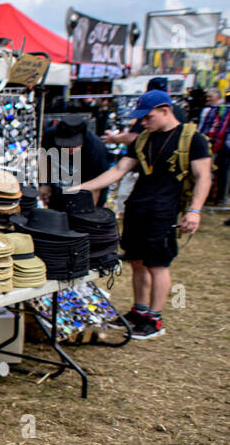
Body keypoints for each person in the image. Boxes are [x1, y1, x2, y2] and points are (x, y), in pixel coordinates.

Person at [74, 89, 211, 340]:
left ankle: (155, 319)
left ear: (165, 111)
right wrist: (82, 187)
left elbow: (204, 176)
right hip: (137, 207)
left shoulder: (193, 139)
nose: (143, 123)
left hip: (164, 211)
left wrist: (194, 211)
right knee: (136, 261)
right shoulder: (143, 139)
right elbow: (119, 171)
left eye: (147, 117)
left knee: (157, 264)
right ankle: (139, 311)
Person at [38, 114, 112, 207]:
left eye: (73, 146)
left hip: (87, 189)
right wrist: (46, 184)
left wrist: (91, 214)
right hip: (59, 187)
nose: (69, 149)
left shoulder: (96, 149)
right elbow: (45, 159)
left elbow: (96, 186)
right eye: (64, 145)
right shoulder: (50, 136)